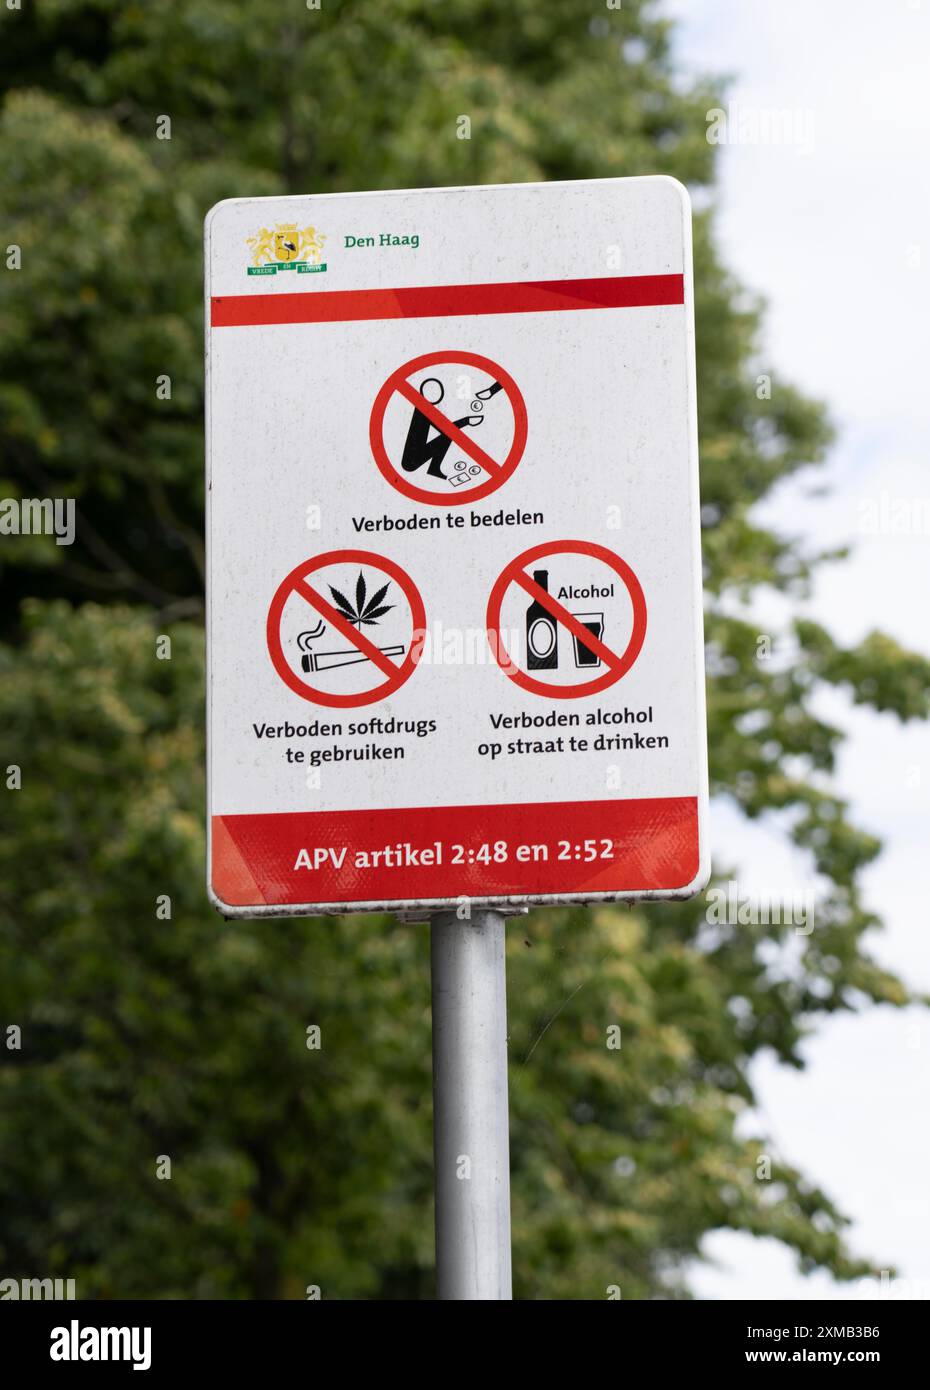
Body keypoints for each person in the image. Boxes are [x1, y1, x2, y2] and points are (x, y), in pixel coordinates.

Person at [401, 377, 484, 479]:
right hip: (411, 462)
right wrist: (466, 421)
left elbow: (444, 427)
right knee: (448, 435)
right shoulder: (422, 410)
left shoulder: (424, 409)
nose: (436, 396)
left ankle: (434, 468)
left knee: (449, 434)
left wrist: (465, 422)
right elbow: (444, 429)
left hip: (416, 456)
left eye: (437, 392)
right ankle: (434, 467)